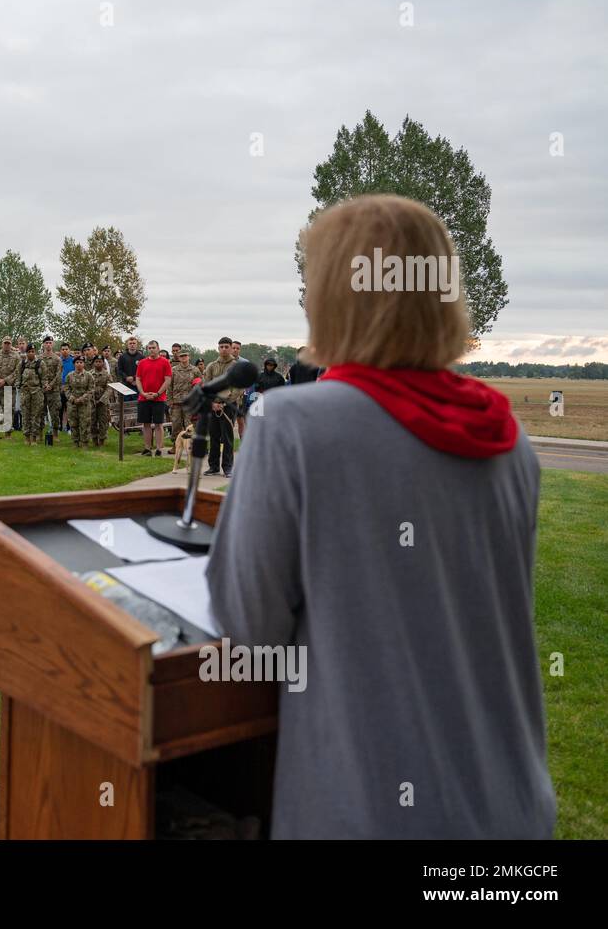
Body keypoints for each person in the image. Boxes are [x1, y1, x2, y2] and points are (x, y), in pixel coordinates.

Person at [207, 194, 554, 838]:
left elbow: (248, 628)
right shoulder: (511, 440)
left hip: (365, 805)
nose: (307, 298)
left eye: (313, 280)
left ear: (341, 296)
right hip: (511, 809)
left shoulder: (290, 425)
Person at [203, 336, 242, 477]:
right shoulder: (211, 366)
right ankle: (213, 466)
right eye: (221, 347)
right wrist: (212, 403)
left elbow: (239, 388)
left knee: (227, 438)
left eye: (227, 346)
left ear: (231, 348)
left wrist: (225, 402)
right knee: (213, 436)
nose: (224, 349)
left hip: (228, 406)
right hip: (213, 406)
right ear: (218, 348)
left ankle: (228, 467)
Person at [135, 339, 172, 456]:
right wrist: (143, 393)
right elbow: (138, 379)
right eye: (149, 348)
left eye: (153, 348)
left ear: (158, 348)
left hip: (159, 398)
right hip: (144, 398)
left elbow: (168, 380)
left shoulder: (165, 362)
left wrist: (158, 393)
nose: (151, 350)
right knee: (145, 424)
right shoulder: (142, 363)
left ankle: (159, 448)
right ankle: (147, 448)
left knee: (158, 424)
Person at [0, 337, 21, 436]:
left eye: (9, 343)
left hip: (9, 387)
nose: (7, 345)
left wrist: (5, 380)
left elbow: (17, 371)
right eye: (5, 343)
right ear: (2, 344)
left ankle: (8, 433)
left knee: (8, 409)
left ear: (11, 345)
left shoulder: (16, 357)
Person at [166, 348, 197, 442]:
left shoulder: (195, 370)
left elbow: (200, 385)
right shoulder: (173, 370)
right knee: (176, 424)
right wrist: (170, 400)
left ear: (189, 357)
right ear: (178, 358)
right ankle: (176, 444)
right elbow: (169, 386)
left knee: (189, 425)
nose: (184, 358)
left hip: (189, 402)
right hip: (176, 402)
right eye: (181, 356)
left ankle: (191, 445)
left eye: (185, 356)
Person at [17, 343, 45, 445]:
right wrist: (19, 387)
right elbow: (18, 376)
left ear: (35, 352)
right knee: (25, 415)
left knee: (36, 415)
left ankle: (34, 437)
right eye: (29, 352)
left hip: (37, 392)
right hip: (25, 392)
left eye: (33, 351)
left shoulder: (40, 363)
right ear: (26, 352)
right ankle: (26, 437)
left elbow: (44, 378)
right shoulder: (22, 364)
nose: (31, 353)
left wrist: (42, 389)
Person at [63, 356, 93, 449]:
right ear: (74, 364)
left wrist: (82, 399)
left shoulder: (88, 375)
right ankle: (75, 442)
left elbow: (91, 389)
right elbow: (66, 388)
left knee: (85, 423)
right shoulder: (69, 375)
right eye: (77, 362)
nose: (79, 364)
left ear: (83, 364)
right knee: (73, 423)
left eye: (81, 362)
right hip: (72, 404)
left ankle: (85, 442)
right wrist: (72, 398)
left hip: (84, 404)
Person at [88, 353, 112, 447]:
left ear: (103, 363)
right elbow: (88, 387)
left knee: (103, 421)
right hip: (91, 401)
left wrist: (102, 399)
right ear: (93, 363)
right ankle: (94, 439)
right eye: (96, 362)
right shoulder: (89, 373)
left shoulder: (107, 374)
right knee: (92, 420)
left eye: (100, 362)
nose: (98, 363)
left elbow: (109, 388)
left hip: (103, 402)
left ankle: (102, 439)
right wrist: (92, 398)